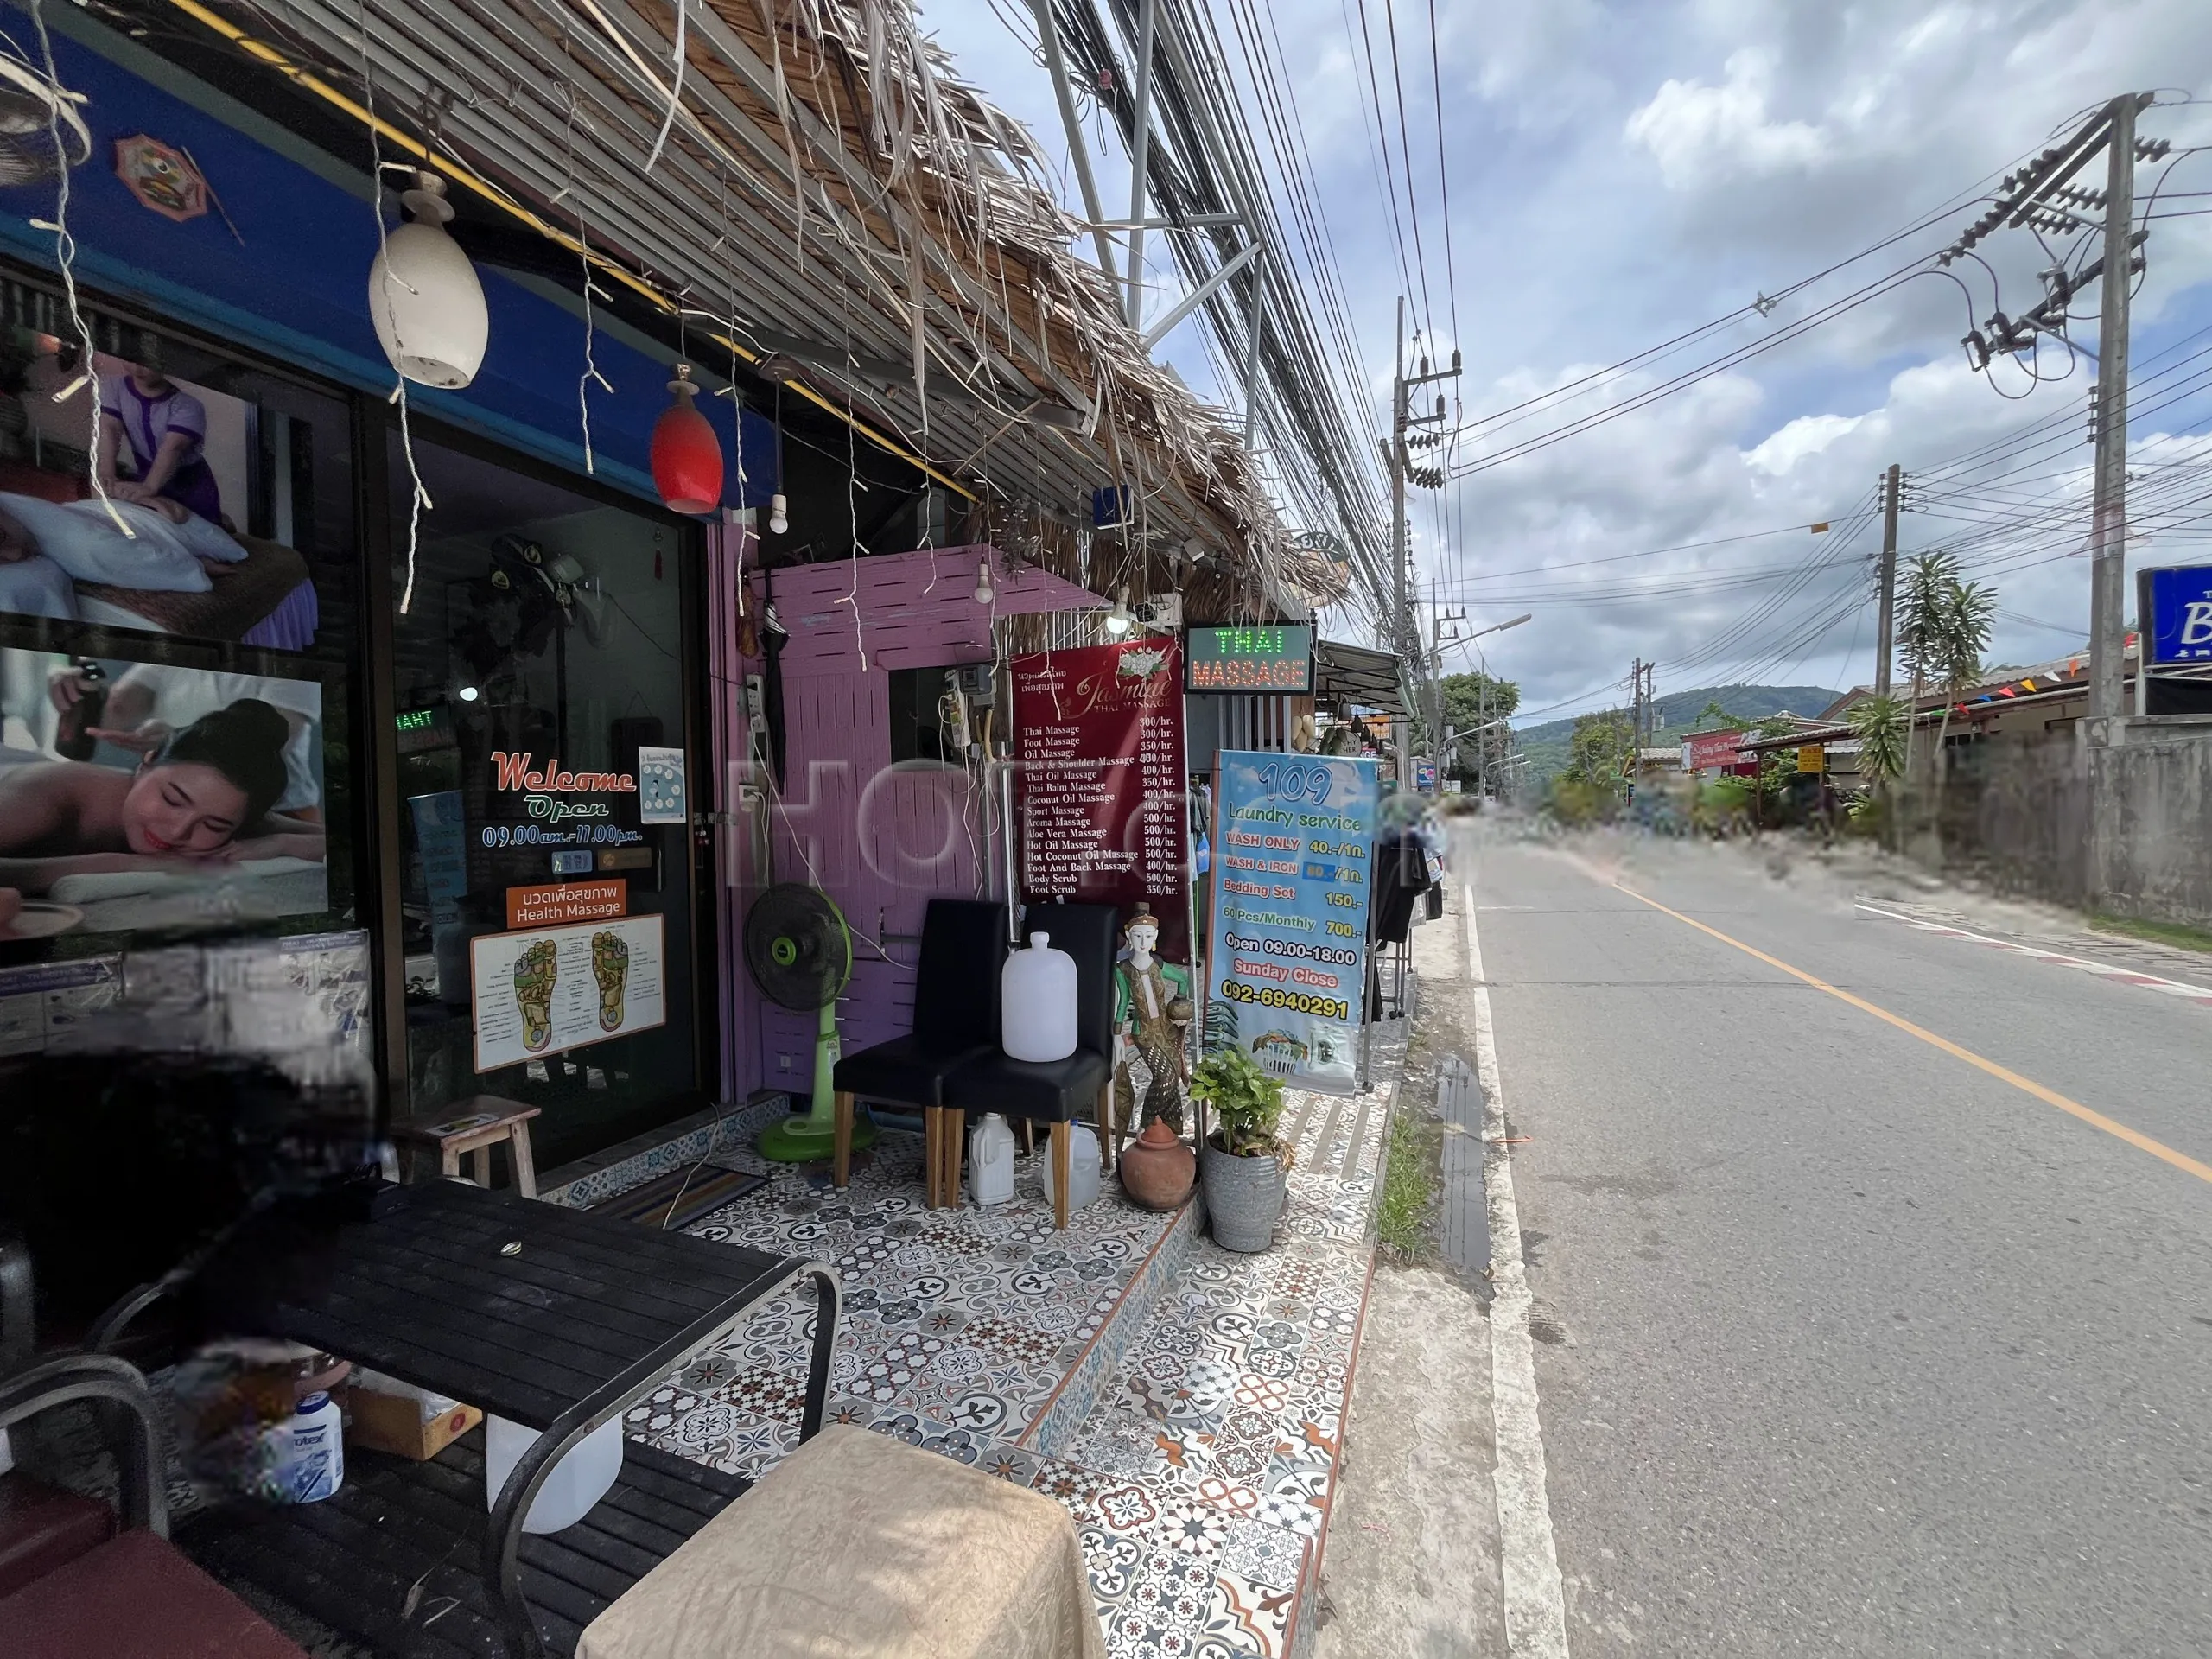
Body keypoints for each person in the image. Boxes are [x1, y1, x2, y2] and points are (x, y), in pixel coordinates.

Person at [0, 698, 321, 897]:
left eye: (213, 825)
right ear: (147, 763)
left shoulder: (228, 809)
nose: (177, 831)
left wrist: (279, 844)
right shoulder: (52, 792)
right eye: (172, 800)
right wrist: (131, 865)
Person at [47, 663, 321, 817]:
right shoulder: (165, 656)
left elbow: (263, 746)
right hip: (176, 809)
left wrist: (177, 740)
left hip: (282, 812)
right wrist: (79, 685)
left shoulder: (287, 668)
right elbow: (115, 710)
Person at [95, 353, 224, 524]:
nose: (138, 368)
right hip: (145, 474)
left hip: (188, 483)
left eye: (148, 362)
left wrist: (149, 487)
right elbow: (110, 429)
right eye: (132, 357)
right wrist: (106, 472)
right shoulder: (114, 387)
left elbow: (173, 448)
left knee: (198, 526)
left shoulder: (187, 406)